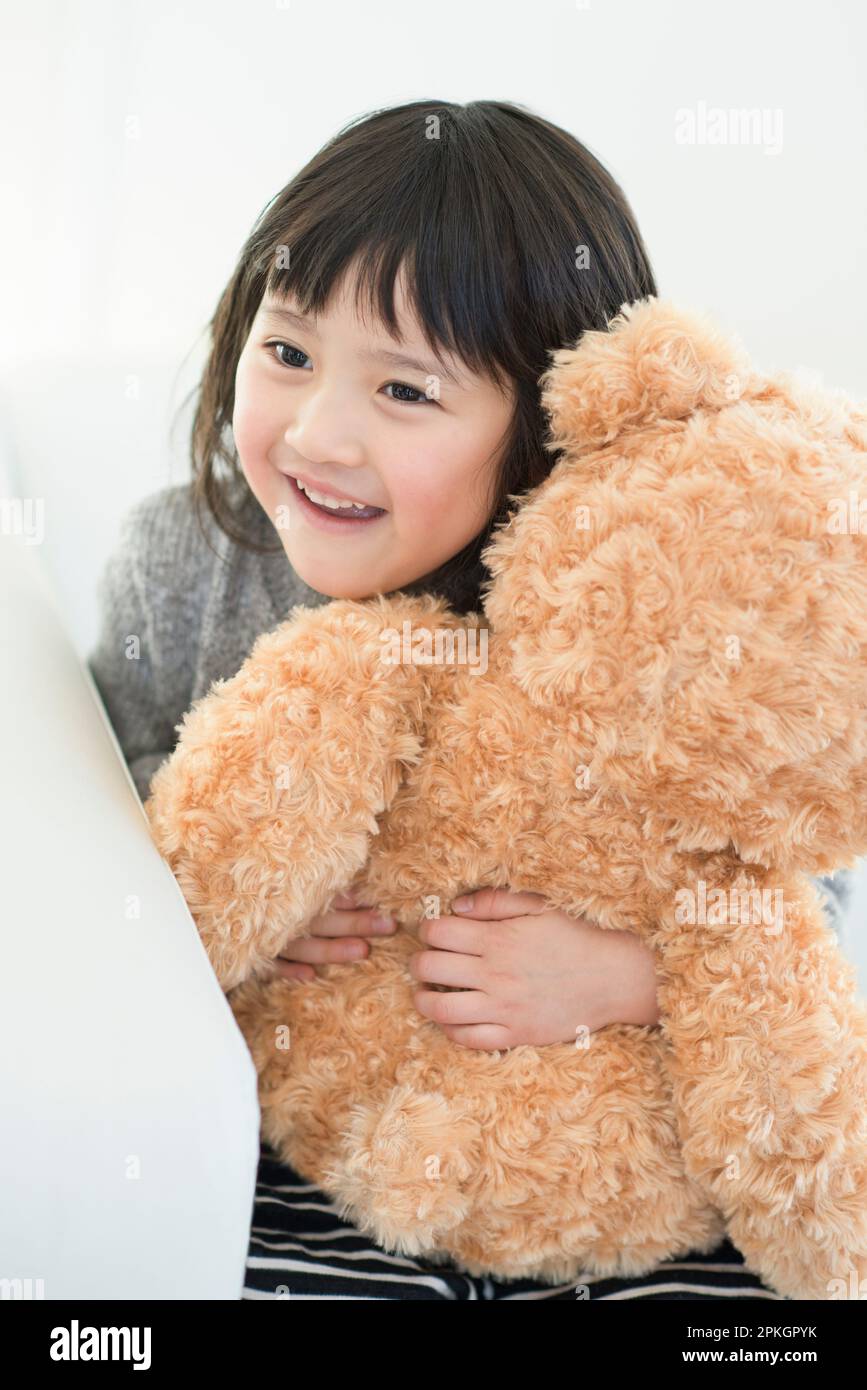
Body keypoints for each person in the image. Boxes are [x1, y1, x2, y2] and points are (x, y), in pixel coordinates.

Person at [88, 98, 853, 1300]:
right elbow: (97, 808)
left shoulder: (633, 599)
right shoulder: (187, 565)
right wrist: (230, 900)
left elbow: (818, 893)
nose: (321, 434)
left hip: (619, 1163)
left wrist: (639, 969)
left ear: (549, 423)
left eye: (406, 392)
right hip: (324, 1143)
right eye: (286, 353)